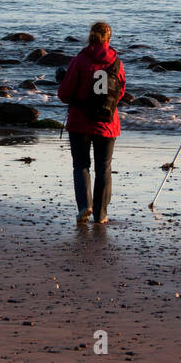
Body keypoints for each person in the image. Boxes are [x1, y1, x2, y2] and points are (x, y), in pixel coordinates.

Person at [57, 21, 127, 225]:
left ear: (90, 37)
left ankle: (84, 206)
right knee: (104, 167)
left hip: (80, 121)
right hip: (107, 122)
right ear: (109, 39)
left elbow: (64, 94)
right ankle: (102, 213)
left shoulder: (80, 60)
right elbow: (120, 91)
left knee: (81, 165)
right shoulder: (116, 62)